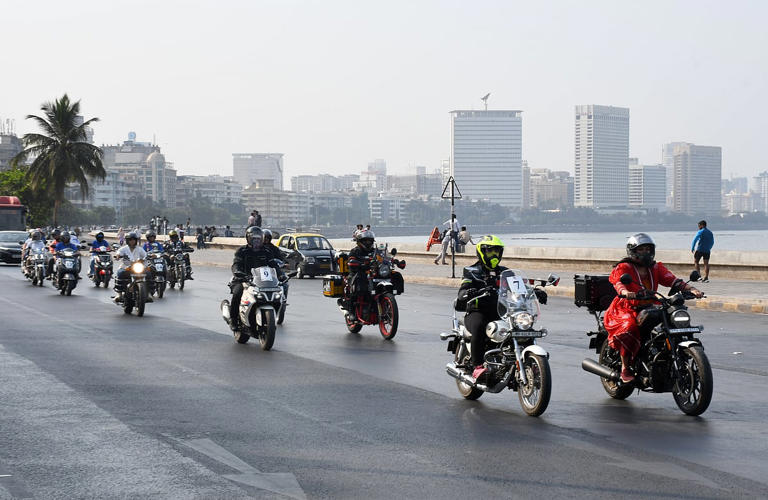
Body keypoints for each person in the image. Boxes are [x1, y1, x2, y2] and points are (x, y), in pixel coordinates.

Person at [604, 233, 703, 383]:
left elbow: (673, 281)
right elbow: (619, 283)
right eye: (641, 249)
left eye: (647, 249)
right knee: (629, 327)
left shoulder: (656, 268)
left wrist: (692, 289)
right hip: (627, 307)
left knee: (672, 319)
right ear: (633, 251)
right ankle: (625, 367)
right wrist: (626, 293)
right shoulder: (624, 267)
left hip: (651, 304)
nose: (645, 252)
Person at [454, 235, 508, 381]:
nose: (494, 255)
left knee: (519, 327)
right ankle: (477, 366)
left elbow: (519, 286)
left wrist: (534, 291)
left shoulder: (505, 272)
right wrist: (468, 292)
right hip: (477, 311)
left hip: (499, 313)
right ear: (482, 252)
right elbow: (463, 290)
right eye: (491, 252)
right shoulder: (471, 271)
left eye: (497, 252)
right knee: (479, 325)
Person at [228, 226, 278, 330]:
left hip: (261, 281)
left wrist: (281, 274)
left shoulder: (267, 251)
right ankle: (233, 319)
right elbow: (236, 264)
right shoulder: (242, 251)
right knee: (237, 293)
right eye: (254, 238)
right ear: (249, 239)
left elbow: (274, 265)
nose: (256, 241)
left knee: (276, 293)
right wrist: (238, 272)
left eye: (258, 239)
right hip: (243, 279)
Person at [113, 231, 148, 303]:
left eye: (134, 240)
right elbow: (118, 252)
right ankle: (119, 294)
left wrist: (150, 256)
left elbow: (145, 255)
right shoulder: (124, 248)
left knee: (149, 273)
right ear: (127, 241)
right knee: (120, 274)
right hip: (126, 267)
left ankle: (149, 293)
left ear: (136, 241)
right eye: (130, 240)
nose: (132, 241)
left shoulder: (139, 249)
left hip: (138, 267)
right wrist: (118, 255)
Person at [346, 229, 376, 310]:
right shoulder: (355, 251)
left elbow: (384, 257)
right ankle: (351, 311)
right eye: (365, 241)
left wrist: (395, 261)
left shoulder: (375, 251)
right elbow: (351, 261)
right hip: (357, 273)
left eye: (370, 241)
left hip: (372, 273)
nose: (368, 243)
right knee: (356, 285)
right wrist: (358, 263)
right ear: (360, 241)